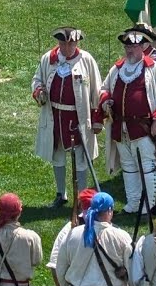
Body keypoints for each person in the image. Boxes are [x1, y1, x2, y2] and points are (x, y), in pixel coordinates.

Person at [99, 27, 156, 215]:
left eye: (133, 46)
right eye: (127, 46)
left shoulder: (155, 70)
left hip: (143, 129)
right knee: (128, 167)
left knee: (147, 167)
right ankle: (133, 203)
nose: (129, 50)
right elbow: (104, 89)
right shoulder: (117, 69)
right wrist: (106, 100)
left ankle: (148, 205)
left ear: (143, 47)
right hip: (120, 128)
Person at [32, 27, 104, 207]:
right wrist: (39, 91)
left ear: (77, 43)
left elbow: (97, 90)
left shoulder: (86, 60)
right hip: (55, 115)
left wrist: (97, 119)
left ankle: (82, 197)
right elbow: (37, 79)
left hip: (79, 117)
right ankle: (60, 193)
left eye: (70, 43)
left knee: (81, 157)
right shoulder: (48, 59)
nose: (67, 47)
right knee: (57, 154)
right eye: (63, 43)